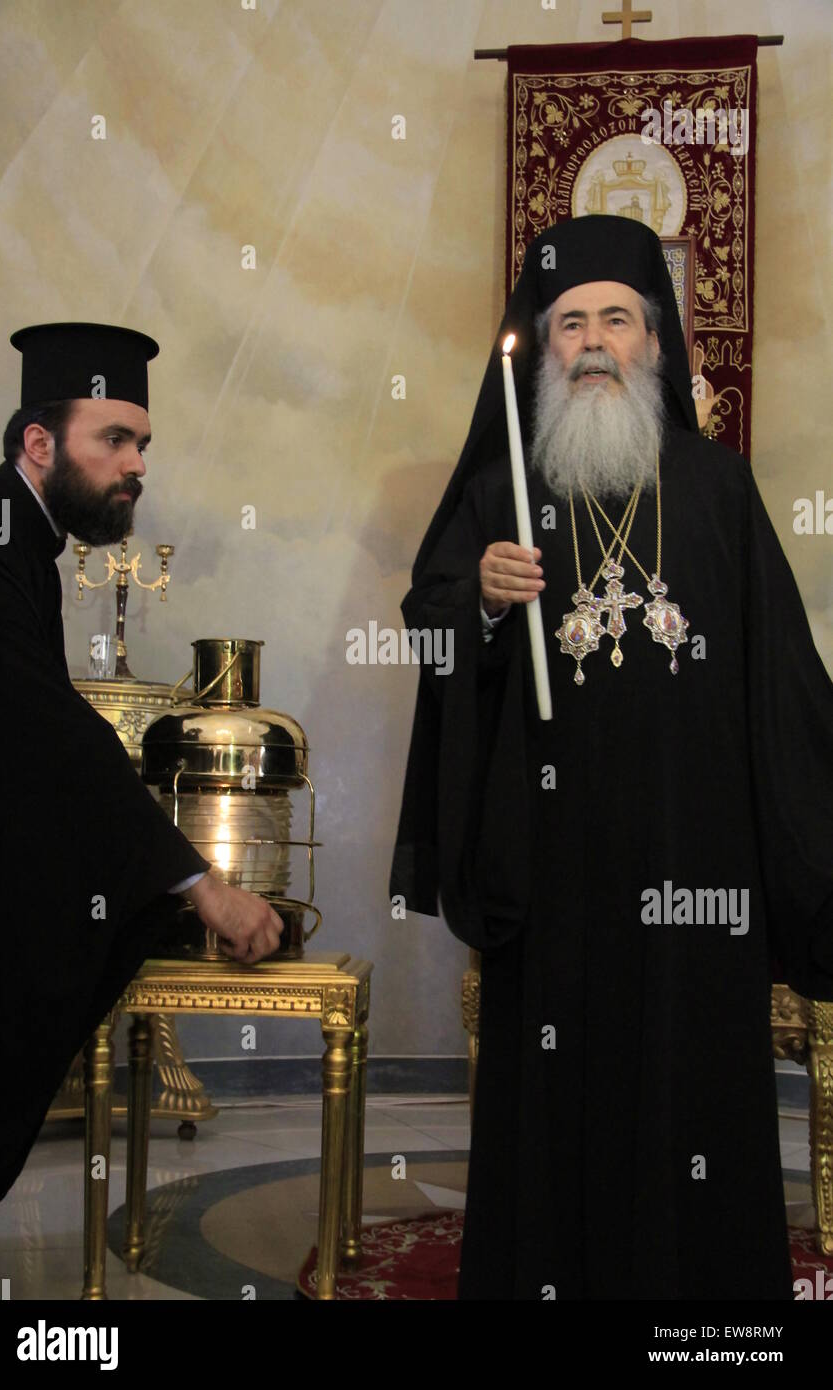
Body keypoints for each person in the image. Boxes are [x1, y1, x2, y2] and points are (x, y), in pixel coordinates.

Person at [389, 215, 833, 1300]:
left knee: (690, 1107)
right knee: (556, 1110)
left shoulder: (719, 489)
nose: (591, 341)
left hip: (698, 876)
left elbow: (781, 686)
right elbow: (428, 619)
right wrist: (480, 604)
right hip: (551, 876)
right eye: (569, 322)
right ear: (542, 349)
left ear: (656, 342)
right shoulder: (503, 492)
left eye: (616, 320)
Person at [0, 322, 282, 1278]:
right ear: (38, 443)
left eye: (142, 443)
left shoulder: (17, 534)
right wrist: (202, 889)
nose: (136, 464)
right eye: (114, 439)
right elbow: (46, 734)